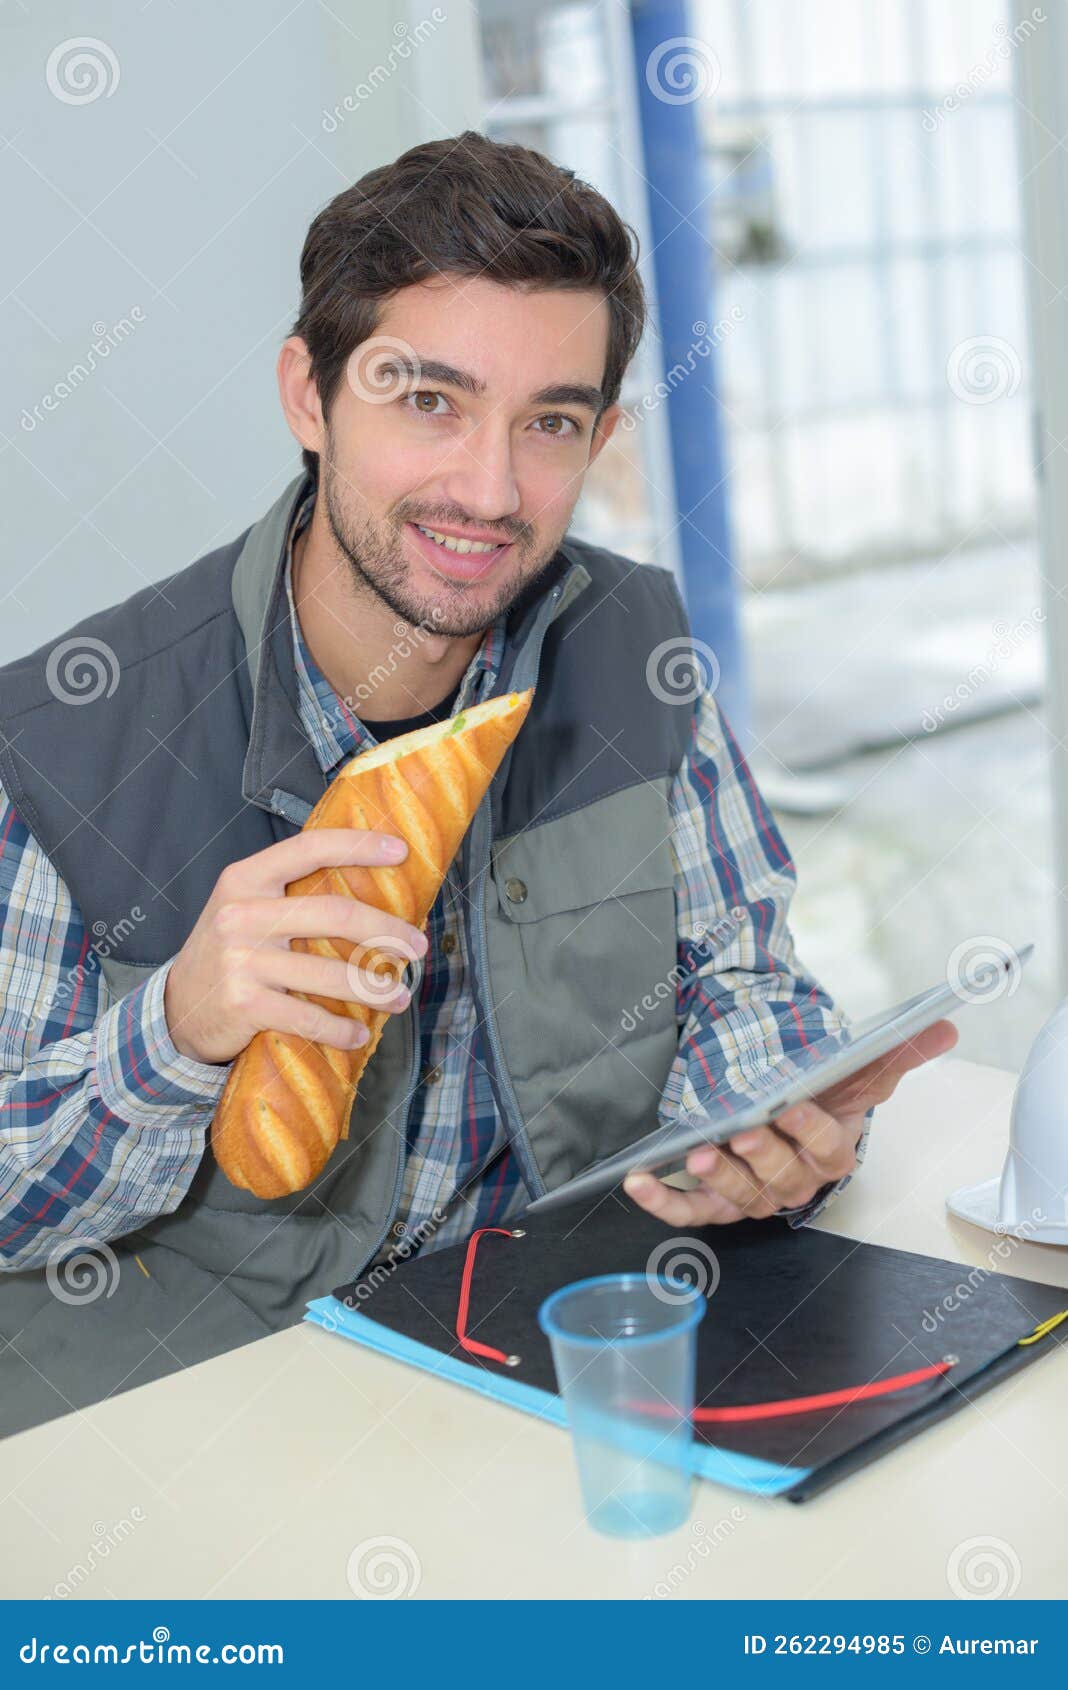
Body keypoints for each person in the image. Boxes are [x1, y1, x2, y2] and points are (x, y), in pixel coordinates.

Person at [0, 131, 955, 1436]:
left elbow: (744, 986)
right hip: (191, 1429)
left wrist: (757, 1145)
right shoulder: (63, 738)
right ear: (308, 395)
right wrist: (172, 1030)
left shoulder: (635, 653)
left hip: (535, 1371)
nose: (490, 489)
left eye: (550, 422)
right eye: (429, 401)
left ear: (601, 437)